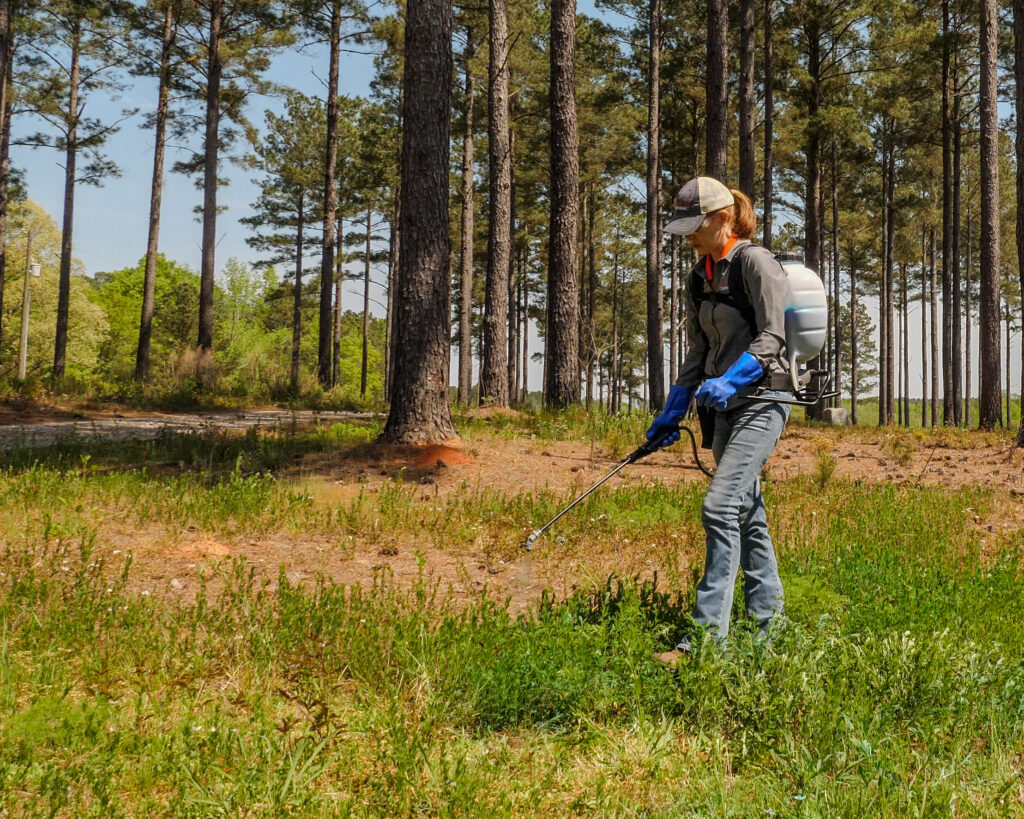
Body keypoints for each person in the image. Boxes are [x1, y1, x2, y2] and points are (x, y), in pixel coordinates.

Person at [647, 176, 793, 666]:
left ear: (723, 218)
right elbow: (699, 348)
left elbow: (774, 337)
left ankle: (705, 641)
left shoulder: (755, 263)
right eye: (683, 225)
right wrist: (674, 408)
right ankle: (770, 631)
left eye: (695, 224)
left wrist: (734, 379)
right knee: (747, 514)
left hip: (761, 401)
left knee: (719, 505)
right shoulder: (699, 275)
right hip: (720, 409)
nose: (687, 234)